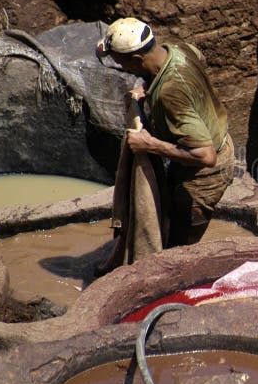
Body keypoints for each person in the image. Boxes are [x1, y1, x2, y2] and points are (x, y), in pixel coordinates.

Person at [96, 17, 235, 247]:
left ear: (138, 59)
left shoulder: (170, 93)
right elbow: (201, 57)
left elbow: (205, 156)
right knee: (169, 220)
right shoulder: (178, 49)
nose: (123, 69)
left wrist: (149, 144)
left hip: (203, 178)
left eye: (123, 64)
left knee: (177, 248)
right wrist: (147, 86)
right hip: (219, 141)